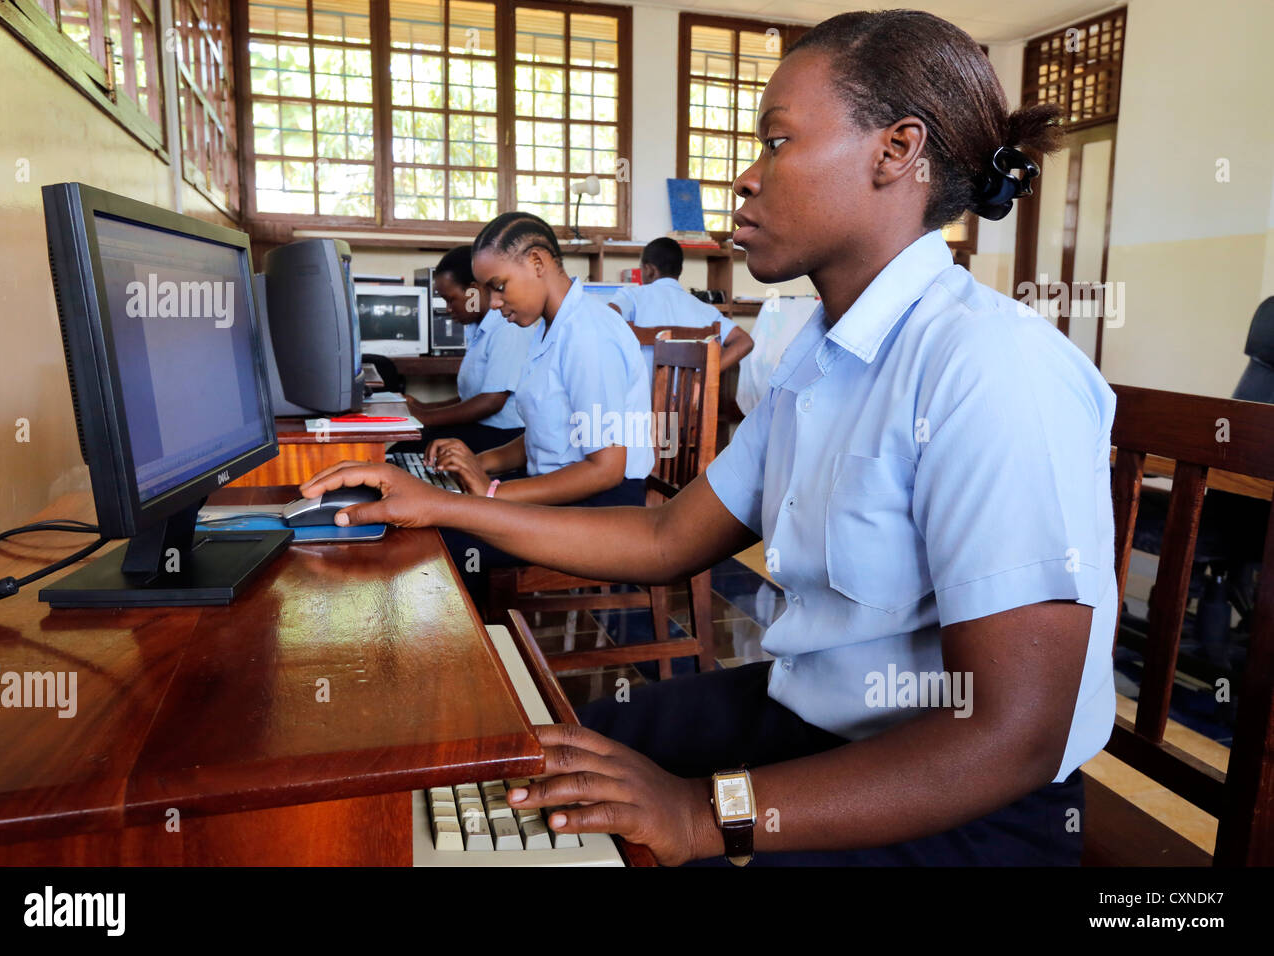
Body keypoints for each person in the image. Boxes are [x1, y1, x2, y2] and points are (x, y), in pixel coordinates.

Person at [300, 10, 1116, 866]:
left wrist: (700, 814)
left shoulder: (989, 367)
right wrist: (444, 508)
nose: (745, 178)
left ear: (897, 150)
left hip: (955, 802)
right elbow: (665, 534)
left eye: (776, 142)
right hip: (805, 719)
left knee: (590, 823)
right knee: (532, 751)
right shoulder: (819, 361)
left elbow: (1012, 736)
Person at [421, 212, 654, 604]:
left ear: (537, 263)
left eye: (499, 287)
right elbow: (547, 432)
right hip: (566, 496)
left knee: (448, 542)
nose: (493, 303)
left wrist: (494, 495)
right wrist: (479, 463)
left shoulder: (587, 334)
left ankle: (486, 657)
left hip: (603, 509)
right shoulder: (550, 328)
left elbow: (607, 468)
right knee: (449, 519)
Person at [395, 245, 539, 455]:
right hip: (484, 429)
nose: (448, 308)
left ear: (473, 291)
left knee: (410, 447)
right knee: (410, 445)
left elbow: (490, 402)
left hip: (505, 437)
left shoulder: (507, 327)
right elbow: (471, 397)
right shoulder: (478, 328)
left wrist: (423, 418)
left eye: (451, 299)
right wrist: (424, 407)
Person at [607, 237, 754, 386]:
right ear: (680, 270)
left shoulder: (631, 297)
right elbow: (745, 342)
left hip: (640, 406)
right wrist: (702, 376)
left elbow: (605, 321)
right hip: (686, 406)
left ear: (649, 269)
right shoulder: (705, 310)